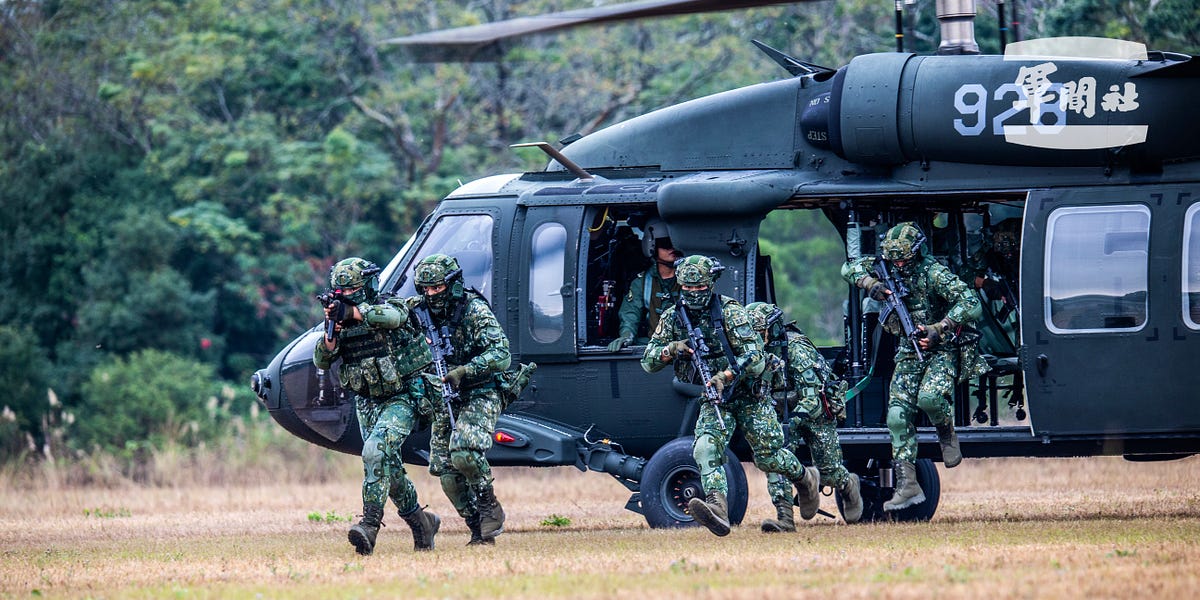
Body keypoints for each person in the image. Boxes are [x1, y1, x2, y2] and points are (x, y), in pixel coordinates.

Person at [642, 255, 819, 536]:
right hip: (716, 399)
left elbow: (755, 357)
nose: (693, 295)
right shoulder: (673, 317)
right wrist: (671, 349)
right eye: (687, 290)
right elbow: (648, 361)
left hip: (749, 396)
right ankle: (717, 508)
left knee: (768, 458)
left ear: (710, 284)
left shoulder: (731, 312)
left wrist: (724, 376)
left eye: (699, 289)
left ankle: (805, 478)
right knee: (705, 448)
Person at [841, 223, 989, 511]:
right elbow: (849, 269)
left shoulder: (933, 274)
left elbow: (971, 303)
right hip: (909, 350)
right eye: (894, 258)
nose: (898, 264)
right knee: (896, 415)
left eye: (903, 259)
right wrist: (872, 285)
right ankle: (907, 485)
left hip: (942, 349)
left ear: (916, 253)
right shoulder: (886, 268)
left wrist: (939, 327)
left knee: (930, 399)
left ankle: (946, 431)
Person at [313, 257, 440, 555]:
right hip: (368, 400)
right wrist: (333, 330)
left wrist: (355, 312)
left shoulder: (391, 304)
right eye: (342, 291)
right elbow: (322, 359)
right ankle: (422, 523)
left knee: (375, 451)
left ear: (368, 284)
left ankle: (369, 525)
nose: (347, 295)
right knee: (388, 467)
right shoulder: (339, 318)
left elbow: (392, 319)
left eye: (353, 288)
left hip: (405, 395)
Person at [410, 254, 512, 545]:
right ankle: (479, 530)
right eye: (426, 290)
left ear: (452, 286)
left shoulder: (474, 309)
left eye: (437, 289)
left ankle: (489, 503)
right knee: (447, 474)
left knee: (464, 452)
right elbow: (393, 315)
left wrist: (465, 371)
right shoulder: (419, 311)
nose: (431, 295)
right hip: (446, 395)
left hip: (481, 390)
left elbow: (501, 354)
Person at [746, 302, 863, 529]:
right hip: (783, 412)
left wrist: (795, 421)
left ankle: (849, 485)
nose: (756, 338)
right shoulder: (754, 353)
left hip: (816, 411)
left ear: (772, 329)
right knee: (775, 459)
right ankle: (785, 518)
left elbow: (812, 397)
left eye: (760, 332)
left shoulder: (797, 350)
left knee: (829, 472)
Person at [607, 219, 682, 351]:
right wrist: (626, 335)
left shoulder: (691, 280)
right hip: (656, 348)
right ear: (651, 246)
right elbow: (630, 313)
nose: (673, 249)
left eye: (676, 243)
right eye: (666, 244)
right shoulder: (642, 283)